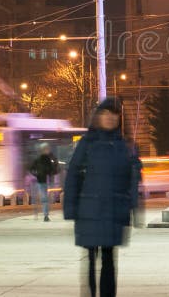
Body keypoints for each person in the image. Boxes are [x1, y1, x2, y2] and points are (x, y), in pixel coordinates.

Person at [63, 97, 142, 297]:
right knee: (89, 258)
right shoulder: (86, 144)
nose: (109, 118)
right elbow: (73, 175)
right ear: (98, 117)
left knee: (109, 259)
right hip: (88, 211)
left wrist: (134, 208)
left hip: (114, 211)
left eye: (114, 114)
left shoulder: (125, 146)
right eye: (105, 113)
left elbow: (133, 181)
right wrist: (70, 209)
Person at [29, 143, 58, 222]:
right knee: (41, 198)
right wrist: (36, 174)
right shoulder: (38, 159)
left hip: (44, 181)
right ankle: (38, 214)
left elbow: (53, 169)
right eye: (46, 149)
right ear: (42, 150)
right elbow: (31, 169)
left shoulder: (48, 159)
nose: (47, 150)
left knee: (44, 198)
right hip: (38, 181)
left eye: (47, 149)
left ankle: (45, 215)